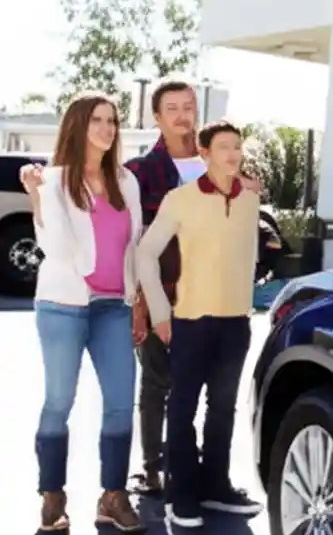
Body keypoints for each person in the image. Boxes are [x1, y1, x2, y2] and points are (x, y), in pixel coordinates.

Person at [20, 78, 263, 496]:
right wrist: (143, 302)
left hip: (197, 298)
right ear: (157, 117)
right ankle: (144, 472)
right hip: (129, 297)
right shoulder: (138, 172)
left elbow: (152, 238)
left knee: (202, 395)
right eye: (172, 108)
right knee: (151, 384)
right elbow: (117, 245)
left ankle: (190, 482)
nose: (183, 115)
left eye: (188, 106)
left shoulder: (209, 166)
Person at [137, 119, 263, 528]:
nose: (232, 155)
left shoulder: (249, 198)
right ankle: (181, 494)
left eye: (237, 147)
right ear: (204, 154)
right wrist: (160, 312)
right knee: (183, 407)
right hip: (191, 320)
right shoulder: (180, 199)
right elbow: (145, 254)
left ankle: (216, 487)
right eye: (223, 147)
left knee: (223, 408)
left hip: (236, 323)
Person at [27, 92, 144, 531]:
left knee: (119, 403)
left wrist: (138, 300)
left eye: (112, 120)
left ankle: (113, 496)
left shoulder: (126, 181)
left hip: (114, 305)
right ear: (78, 125)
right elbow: (54, 247)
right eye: (97, 119)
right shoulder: (54, 180)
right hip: (63, 305)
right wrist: (38, 197)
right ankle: (52, 495)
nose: (107, 128)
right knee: (60, 401)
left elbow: (134, 244)